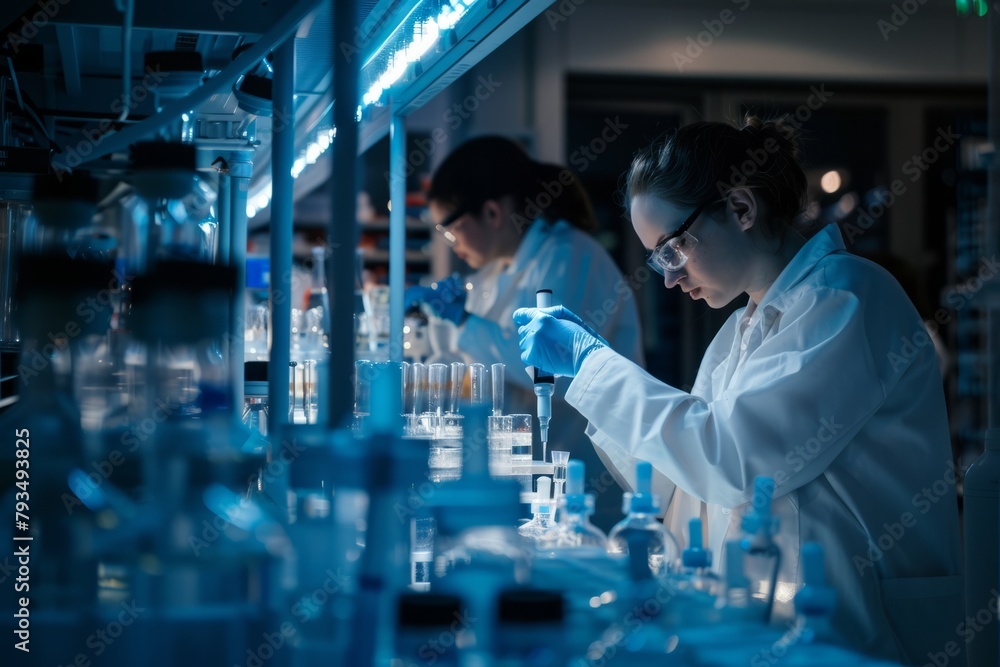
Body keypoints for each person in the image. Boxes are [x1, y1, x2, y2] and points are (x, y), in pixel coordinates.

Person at [513, 116, 964, 664]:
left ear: (742, 209)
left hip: (851, 632)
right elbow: (684, 480)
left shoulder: (848, 298)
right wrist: (588, 377)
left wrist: (594, 366)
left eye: (672, 248)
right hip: (759, 625)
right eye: (657, 260)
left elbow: (737, 464)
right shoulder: (739, 331)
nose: (670, 278)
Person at [405, 136, 645, 531]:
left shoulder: (569, 255)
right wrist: (435, 335)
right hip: (526, 480)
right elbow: (477, 364)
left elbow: (542, 367)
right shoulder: (498, 270)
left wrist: (463, 322)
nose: (450, 242)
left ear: (492, 213)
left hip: (584, 479)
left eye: (450, 229)